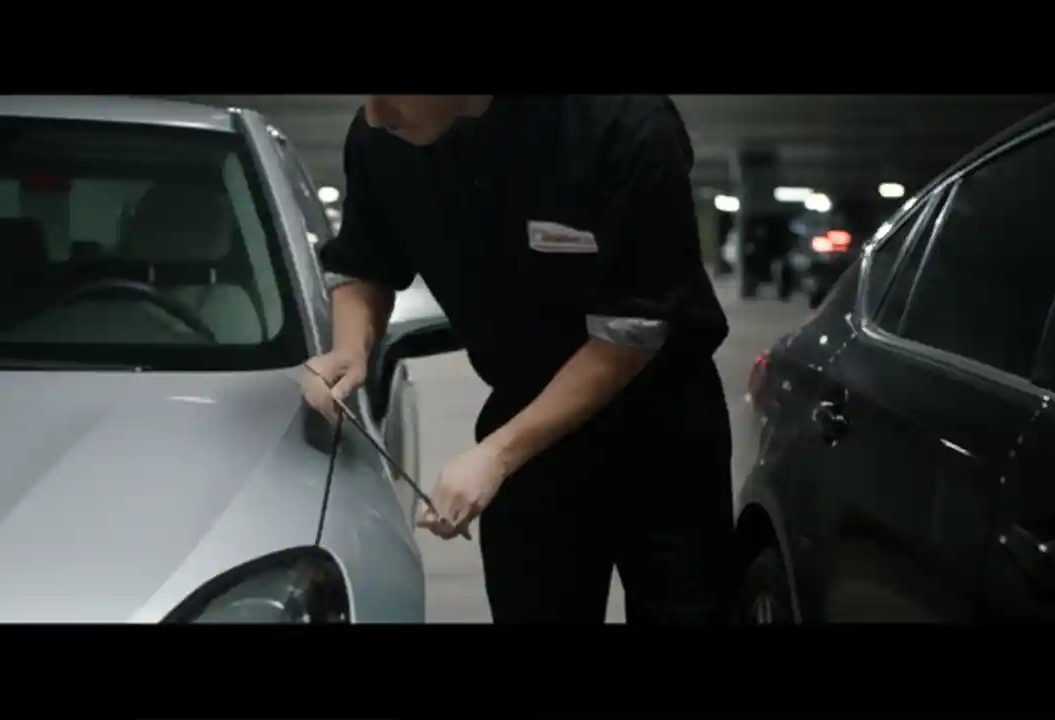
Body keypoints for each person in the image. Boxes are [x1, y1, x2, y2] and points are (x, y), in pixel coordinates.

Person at [302, 95, 734, 624]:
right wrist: (351, 347)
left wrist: (498, 454)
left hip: (662, 429)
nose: (373, 114)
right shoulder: (382, 136)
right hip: (525, 417)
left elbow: (632, 332)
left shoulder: (623, 124)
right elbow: (364, 261)